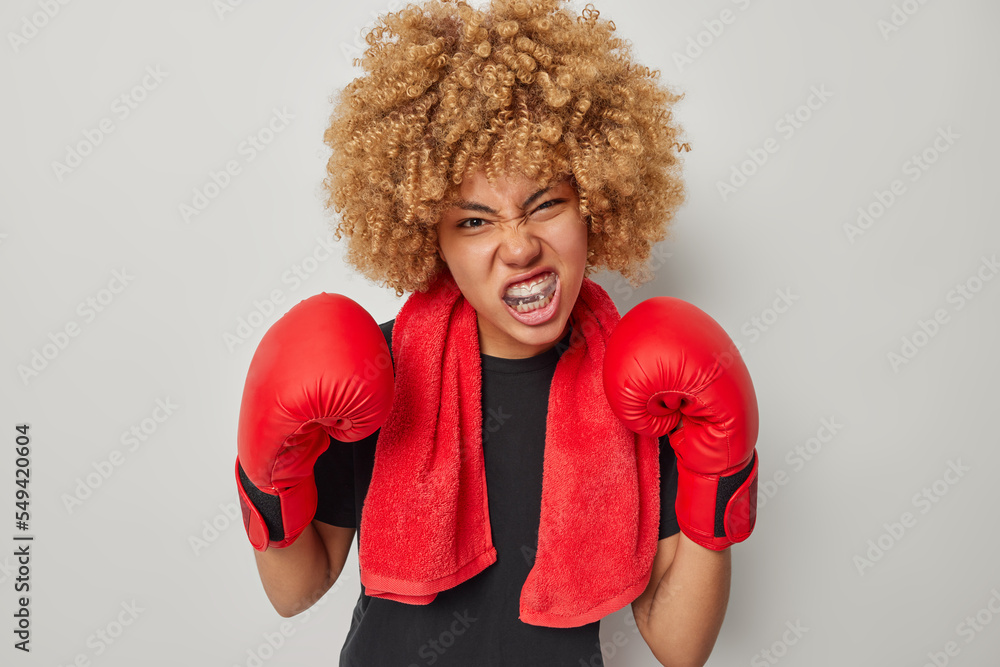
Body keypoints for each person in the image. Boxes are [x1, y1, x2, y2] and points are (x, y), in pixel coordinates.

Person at [234, 1, 759, 665]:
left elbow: (680, 646)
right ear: (432, 241)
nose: (518, 248)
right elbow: (296, 590)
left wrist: (720, 472)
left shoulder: (651, 390)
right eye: (475, 222)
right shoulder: (375, 372)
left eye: (546, 204)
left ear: (596, 204)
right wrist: (266, 472)